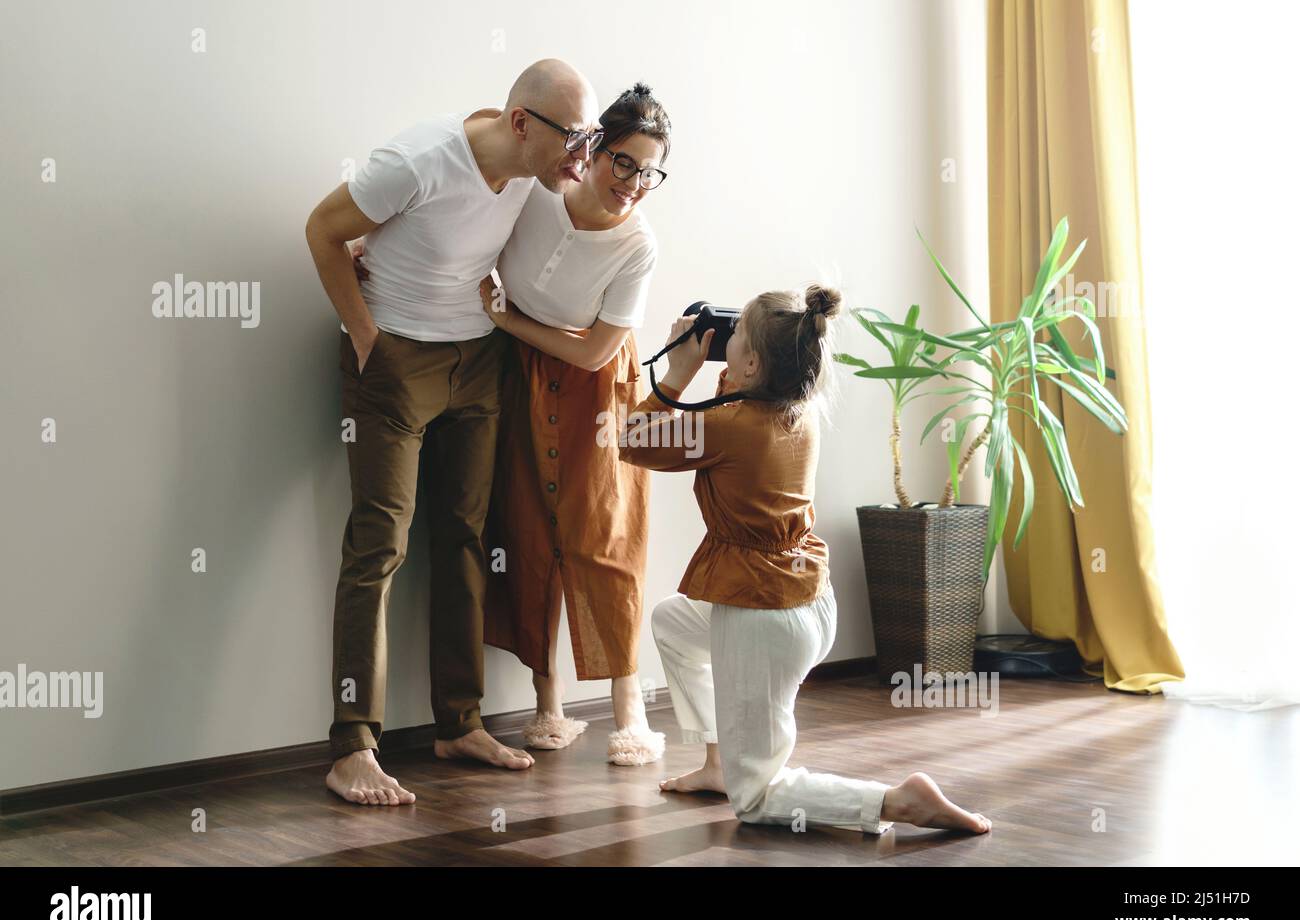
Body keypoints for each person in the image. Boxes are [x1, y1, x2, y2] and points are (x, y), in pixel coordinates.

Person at [305, 59, 602, 806]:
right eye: (575, 138)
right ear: (522, 124)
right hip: (397, 360)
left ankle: (459, 722)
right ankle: (352, 748)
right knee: (381, 543)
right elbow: (323, 229)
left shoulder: (536, 170)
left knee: (467, 537)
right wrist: (366, 335)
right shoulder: (418, 160)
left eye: (590, 137)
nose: (583, 157)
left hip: (480, 362)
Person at [620, 286, 993, 835]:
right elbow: (738, 400)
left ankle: (895, 800)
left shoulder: (728, 428)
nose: (723, 348)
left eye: (735, 339)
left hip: (762, 616)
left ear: (749, 363)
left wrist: (676, 372)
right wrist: (733, 360)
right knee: (673, 623)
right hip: (808, 604)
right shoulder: (798, 412)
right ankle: (719, 764)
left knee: (757, 799)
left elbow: (632, 440)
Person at [475, 83, 671, 765]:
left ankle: (629, 713)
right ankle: (547, 707)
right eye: (625, 163)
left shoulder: (638, 246)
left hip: (597, 383)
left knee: (604, 535)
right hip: (521, 372)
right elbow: (480, 128)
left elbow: (594, 349)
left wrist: (509, 321)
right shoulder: (536, 188)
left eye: (650, 172)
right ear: (593, 149)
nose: (634, 185)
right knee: (528, 528)